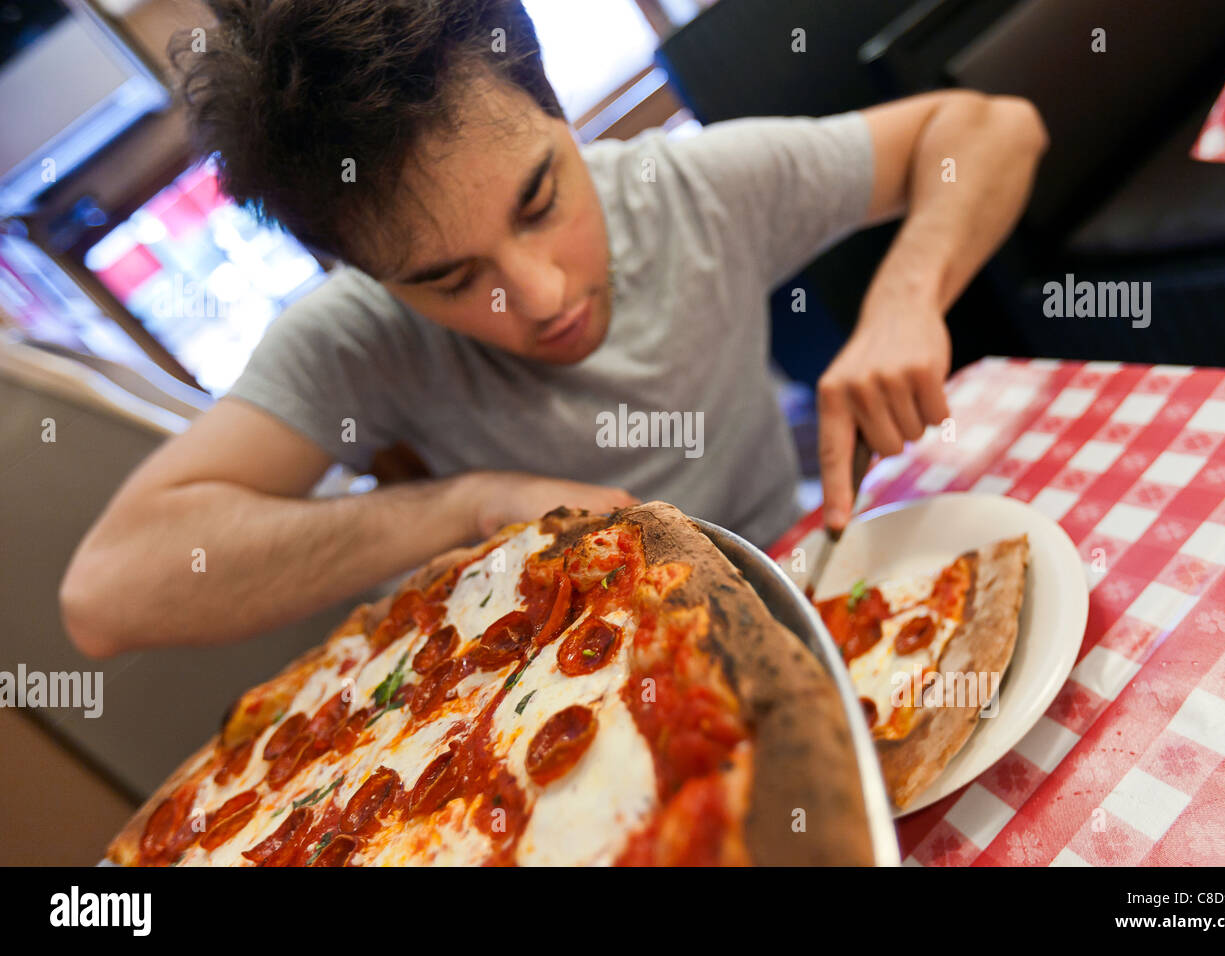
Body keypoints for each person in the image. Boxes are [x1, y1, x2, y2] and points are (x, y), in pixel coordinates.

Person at [60, 0, 1047, 657]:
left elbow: (989, 129)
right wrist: (471, 503)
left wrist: (907, 296)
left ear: (562, 113)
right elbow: (105, 591)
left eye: (540, 200)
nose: (538, 296)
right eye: (448, 276)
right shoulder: (354, 338)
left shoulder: (690, 190)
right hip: (572, 675)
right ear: (368, 276)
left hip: (801, 584)